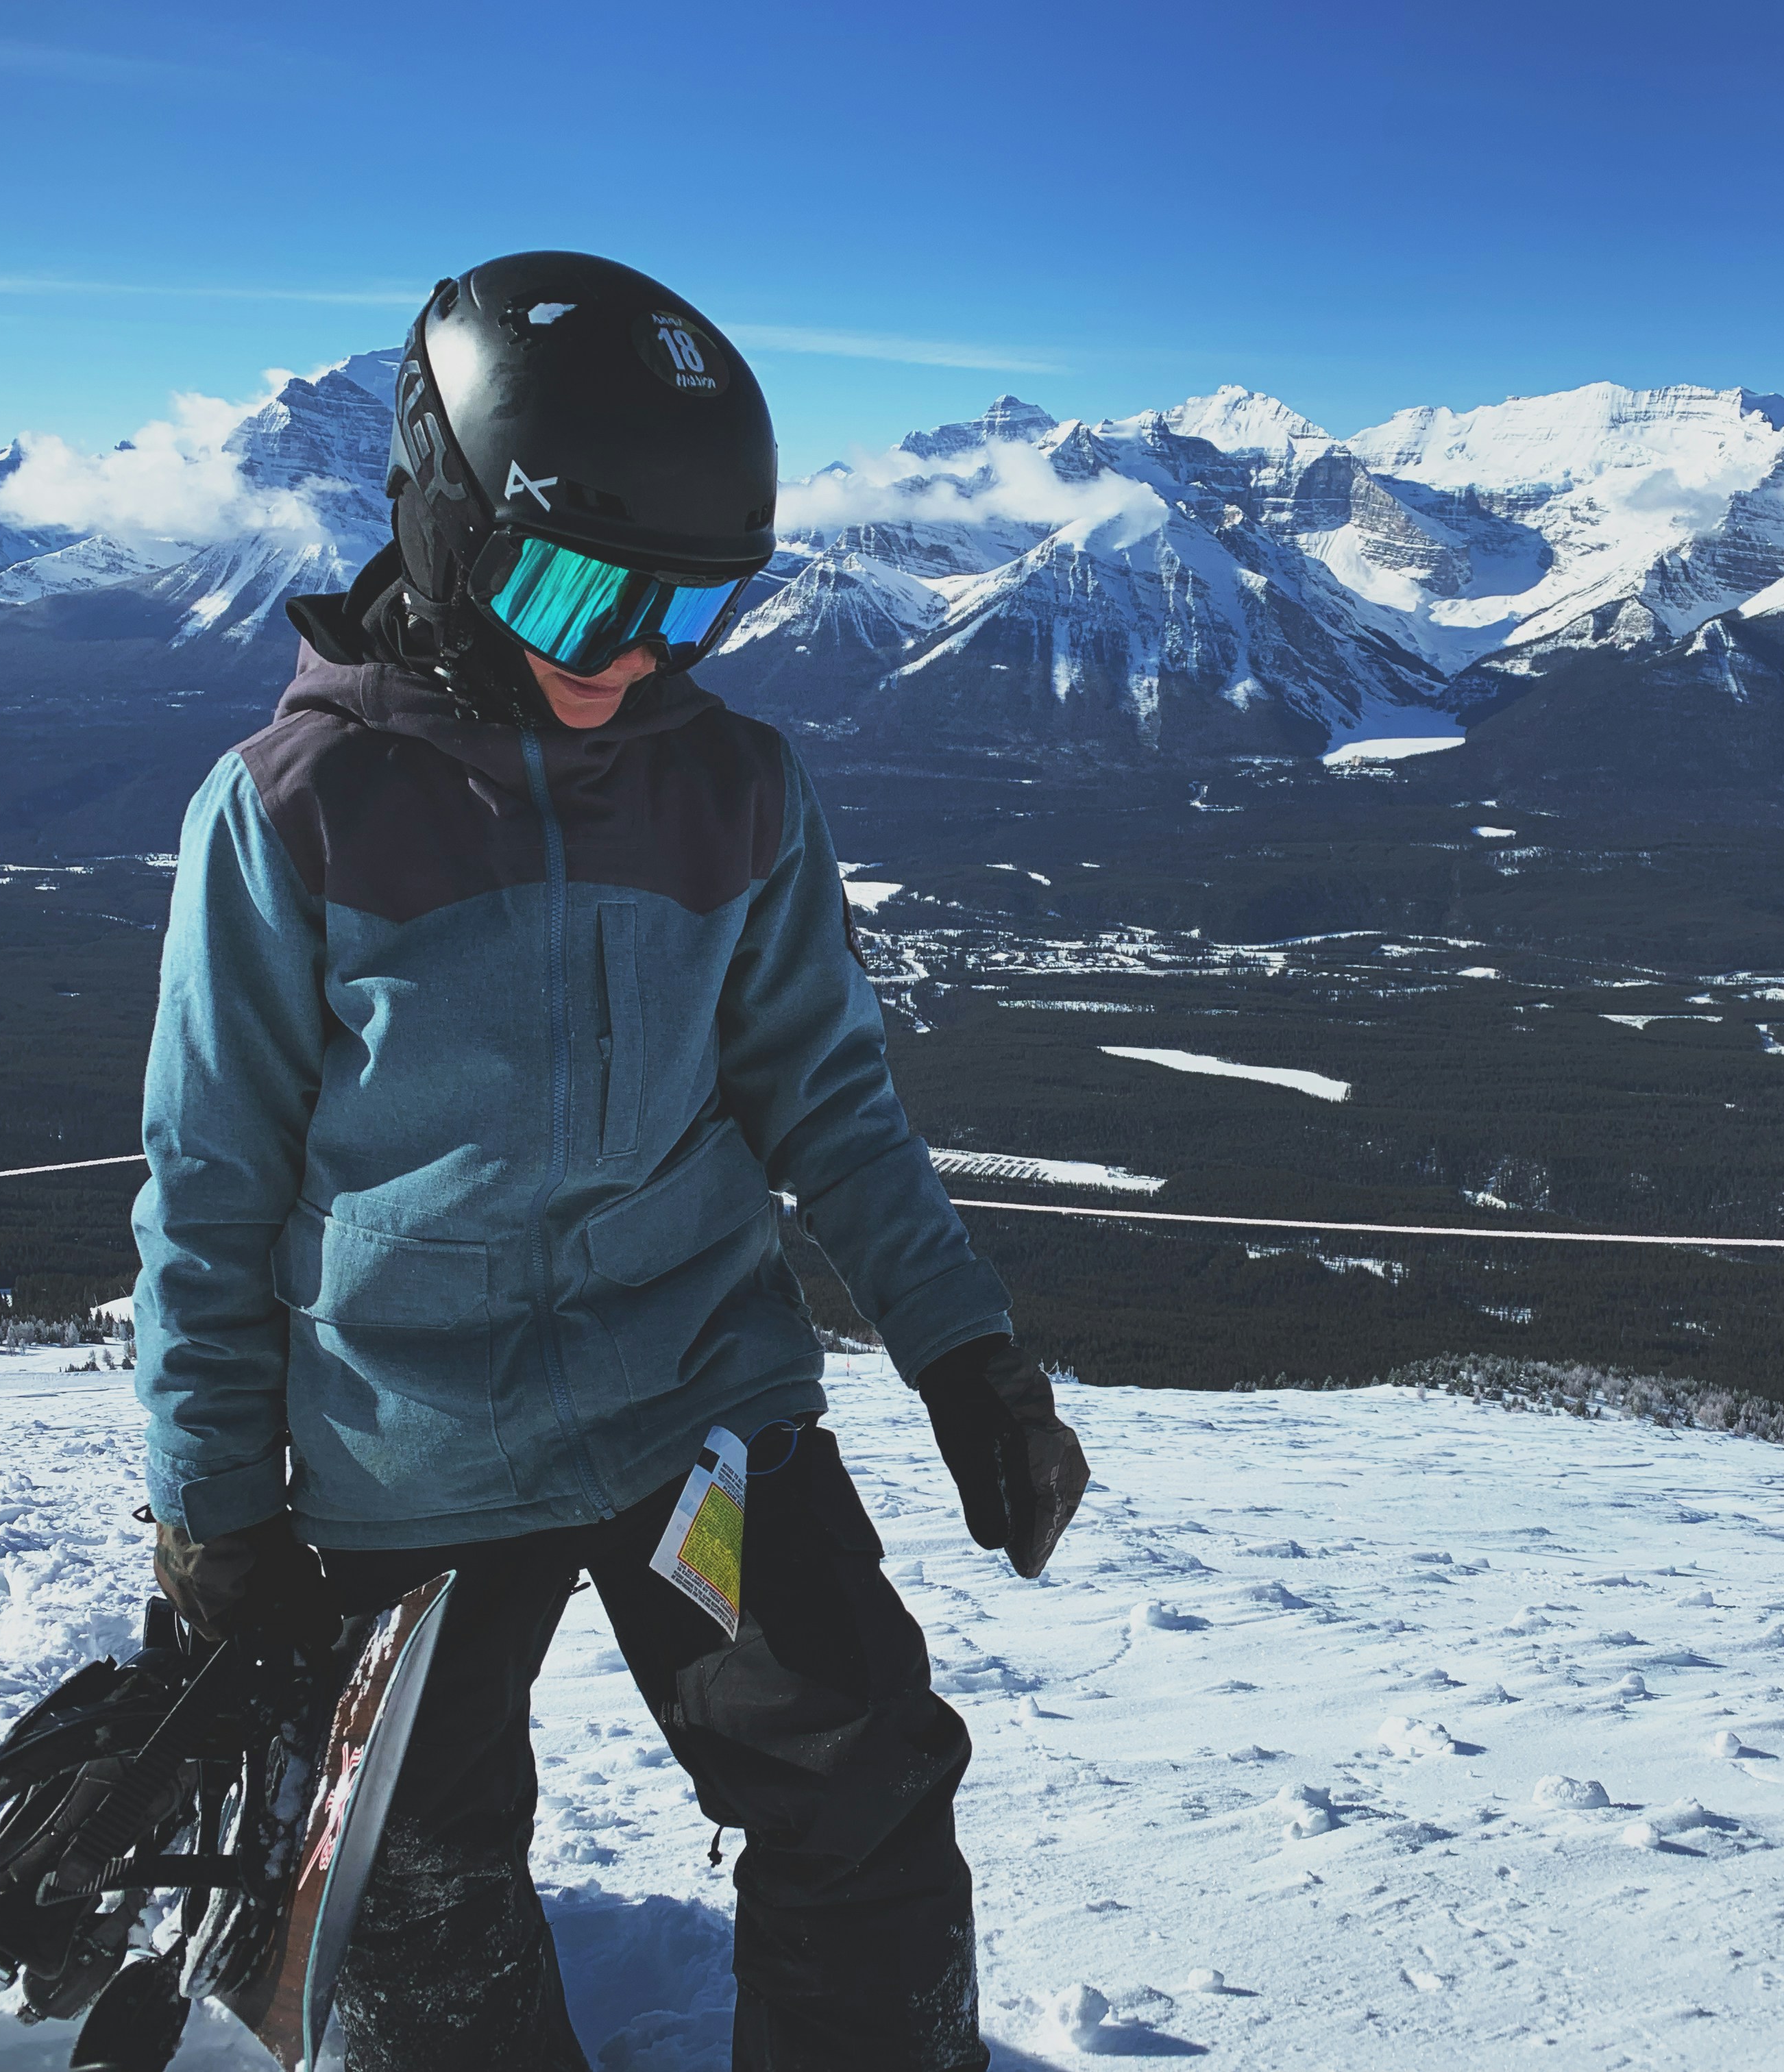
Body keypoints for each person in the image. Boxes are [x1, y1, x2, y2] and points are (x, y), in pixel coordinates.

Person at [129, 250, 1088, 2072]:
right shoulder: (295, 813)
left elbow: (831, 1100)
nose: (638, 655)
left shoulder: (734, 787)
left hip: (689, 1416)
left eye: (692, 609)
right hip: (407, 1455)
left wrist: (970, 1359)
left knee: (860, 1774)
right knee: (414, 1879)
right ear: (453, 535)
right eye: (583, 595)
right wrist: (214, 1511)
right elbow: (210, 1190)